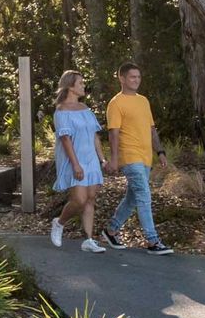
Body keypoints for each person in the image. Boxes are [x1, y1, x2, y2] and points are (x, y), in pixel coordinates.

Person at [99, 62, 174, 255]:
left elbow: (151, 129)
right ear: (122, 78)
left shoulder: (143, 101)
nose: (136, 80)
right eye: (132, 77)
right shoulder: (116, 103)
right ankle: (152, 240)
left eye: (138, 77)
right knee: (143, 194)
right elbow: (113, 133)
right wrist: (114, 159)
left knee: (132, 198)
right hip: (129, 156)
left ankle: (111, 230)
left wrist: (160, 151)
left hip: (145, 157)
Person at [49, 70, 107, 253]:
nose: (83, 86)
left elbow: (95, 136)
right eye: (80, 83)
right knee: (79, 200)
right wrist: (75, 164)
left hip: (91, 160)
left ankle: (88, 240)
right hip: (75, 160)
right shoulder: (61, 111)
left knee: (90, 199)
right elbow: (65, 139)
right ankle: (59, 223)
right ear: (70, 86)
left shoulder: (85, 109)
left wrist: (102, 159)